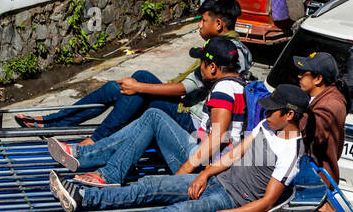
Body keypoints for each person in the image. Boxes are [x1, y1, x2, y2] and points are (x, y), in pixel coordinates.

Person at [48, 84, 309, 212]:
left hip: (232, 201)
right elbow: (234, 154)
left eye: (273, 109)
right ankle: (84, 198)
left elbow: (267, 202)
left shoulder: (291, 153)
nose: (266, 112)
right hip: (217, 181)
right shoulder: (267, 125)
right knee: (151, 185)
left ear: (289, 114)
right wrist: (204, 174)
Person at [16, 0, 252, 141]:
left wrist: (140, 87)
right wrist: (138, 84)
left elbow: (184, 88)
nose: (199, 25)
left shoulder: (226, 53)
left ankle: (92, 138)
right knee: (128, 84)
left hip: (195, 119)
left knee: (137, 89)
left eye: (203, 20)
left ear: (218, 24)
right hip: (188, 107)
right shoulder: (236, 46)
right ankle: (53, 123)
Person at [46, 37, 248, 187]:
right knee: (148, 109)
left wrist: (184, 171)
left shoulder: (223, 90)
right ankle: (88, 157)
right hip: (203, 155)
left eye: (202, 64)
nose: (200, 69)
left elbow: (217, 137)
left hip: (201, 164)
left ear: (212, 67)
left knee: (153, 114)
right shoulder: (237, 83)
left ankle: (101, 167)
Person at [293, 51, 348, 185]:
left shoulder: (330, 105)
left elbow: (309, 132)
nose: (298, 76)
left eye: (304, 72)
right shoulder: (316, 97)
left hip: (315, 182)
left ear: (318, 79)